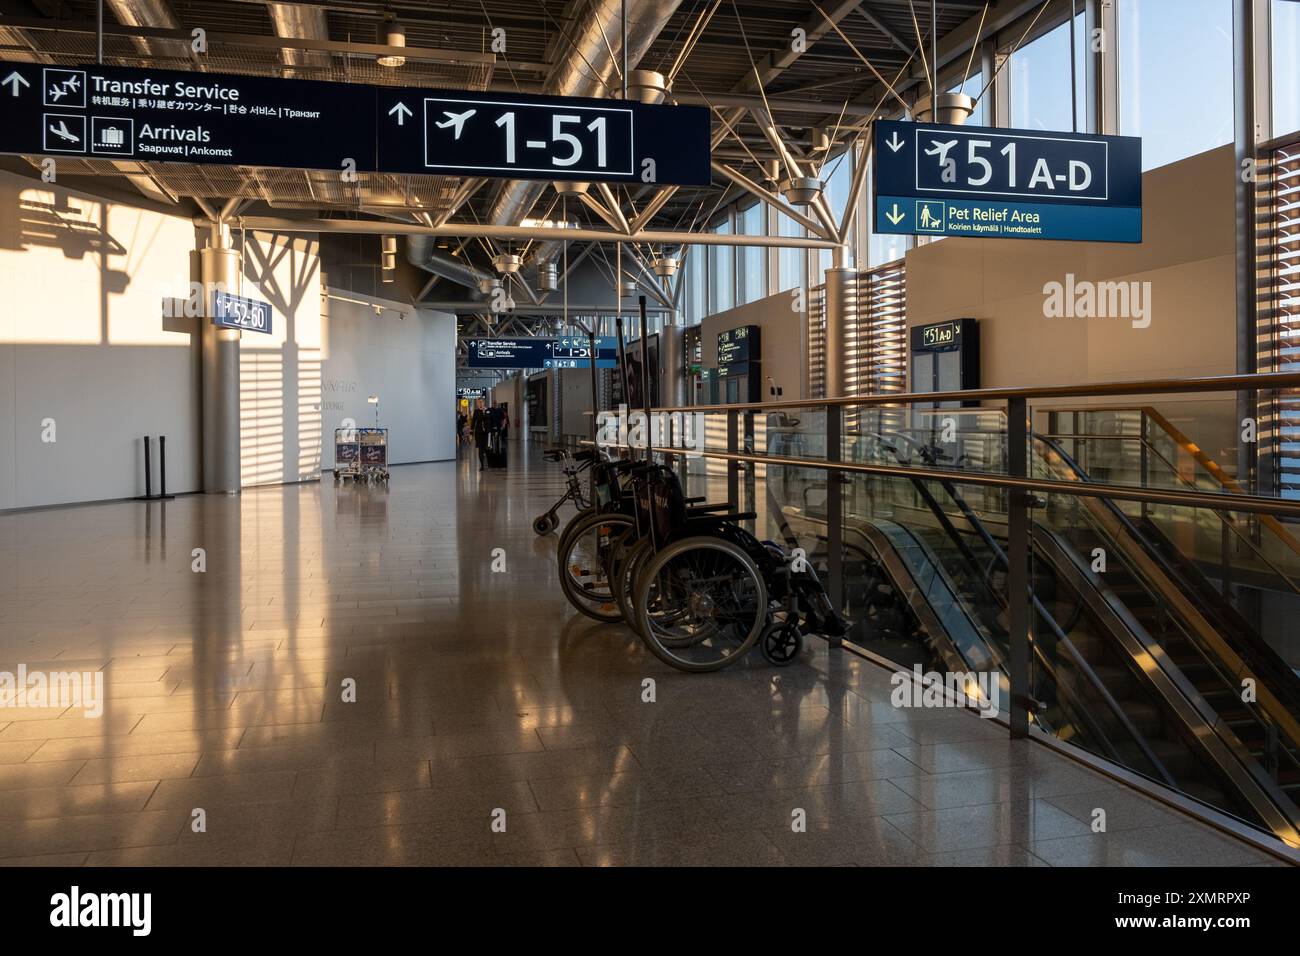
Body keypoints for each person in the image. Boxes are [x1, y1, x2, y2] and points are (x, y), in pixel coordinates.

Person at [470, 400, 489, 470]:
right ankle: (482, 465)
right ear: (477, 404)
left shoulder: (487, 410)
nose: (480, 404)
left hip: (485, 433)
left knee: (485, 448)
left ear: (484, 403)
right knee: (481, 449)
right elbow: (473, 421)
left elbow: (489, 419)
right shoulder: (476, 411)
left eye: (482, 402)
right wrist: (471, 432)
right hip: (478, 433)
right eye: (479, 402)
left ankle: (486, 462)